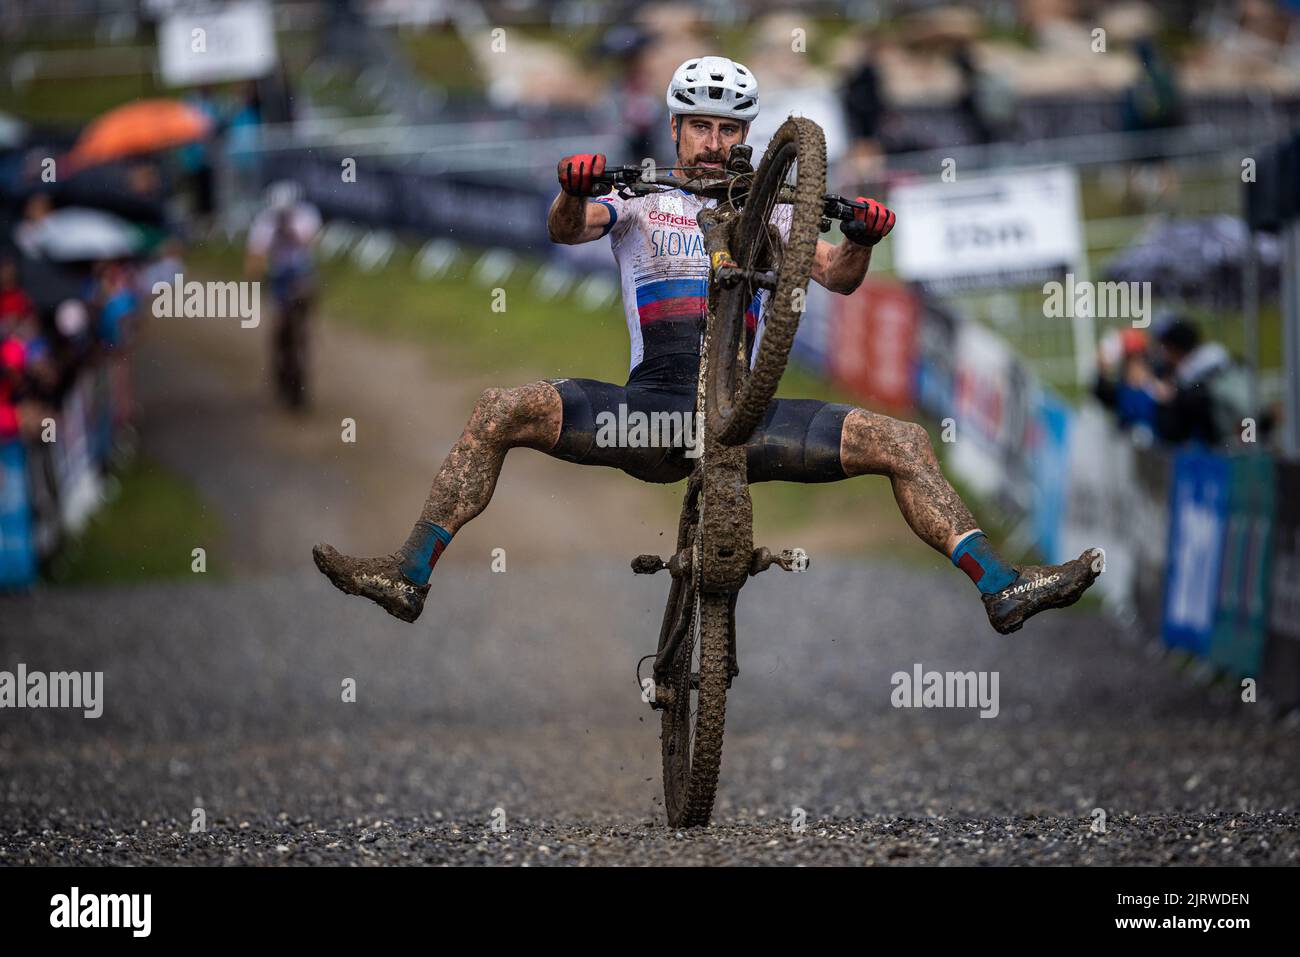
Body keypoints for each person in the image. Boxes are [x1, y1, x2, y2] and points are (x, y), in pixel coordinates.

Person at [312, 55, 1103, 634]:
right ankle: (408, 571)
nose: (715, 141)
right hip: (648, 416)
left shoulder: (779, 211)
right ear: (676, 127)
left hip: (745, 422)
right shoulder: (636, 194)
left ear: (746, 135)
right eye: (701, 126)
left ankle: (1000, 584)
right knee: (499, 409)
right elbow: (564, 229)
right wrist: (574, 186)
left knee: (899, 439)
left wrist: (861, 237)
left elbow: (839, 276)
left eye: (730, 129)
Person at [244, 182, 321, 409]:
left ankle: (300, 366)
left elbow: (312, 240)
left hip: (301, 274)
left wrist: (290, 231)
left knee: (303, 319)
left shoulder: (306, 215)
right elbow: (255, 255)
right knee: (279, 327)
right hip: (278, 277)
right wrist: (253, 276)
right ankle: (279, 369)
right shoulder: (264, 222)